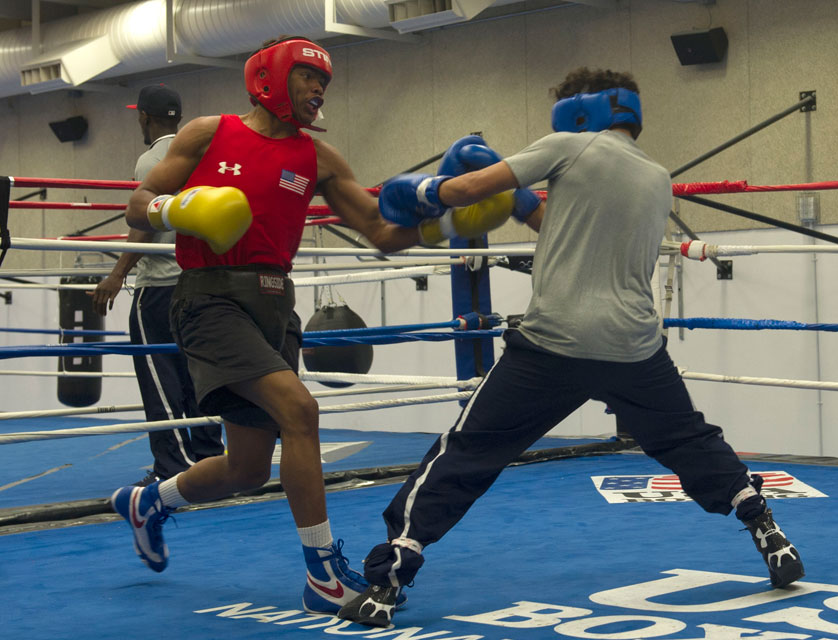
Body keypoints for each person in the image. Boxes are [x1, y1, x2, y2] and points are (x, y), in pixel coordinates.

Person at [338, 67, 804, 628]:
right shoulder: (658, 176)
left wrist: (415, 191)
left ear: (581, 111)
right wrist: (519, 203)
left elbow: (463, 190)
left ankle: (388, 581)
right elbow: (563, 227)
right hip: (634, 346)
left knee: (468, 450)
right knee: (689, 440)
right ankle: (766, 529)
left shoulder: (568, 146)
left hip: (554, 343)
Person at [107, 36, 536, 616]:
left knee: (247, 468)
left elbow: (381, 234)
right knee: (300, 410)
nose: (318, 89)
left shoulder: (319, 159)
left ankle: (149, 502)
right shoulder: (209, 133)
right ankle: (324, 575)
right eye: (308, 76)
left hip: (273, 305)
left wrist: (445, 225)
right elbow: (139, 204)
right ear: (270, 76)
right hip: (209, 299)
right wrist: (178, 208)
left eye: (324, 82)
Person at [92, 85, 224, 487]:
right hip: (201, 284)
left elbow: (145, 223)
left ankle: (173, 467)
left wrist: (118, 274)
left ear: (143, 117)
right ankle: (209, 459)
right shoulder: (206, 154)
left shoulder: (152, 160)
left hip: (159, 288)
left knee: (160, 378)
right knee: (199, 374)